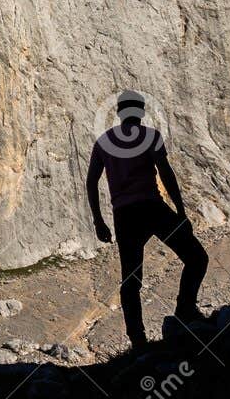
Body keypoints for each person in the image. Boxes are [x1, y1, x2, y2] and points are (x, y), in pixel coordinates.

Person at [86, 91, 209, 349]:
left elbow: (91, 182)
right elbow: (165, 172)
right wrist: (181, 211)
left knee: (131, 279)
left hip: (124, 215)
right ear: (141, 112)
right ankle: (185, 308)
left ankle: (138, 339)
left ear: (119, 113)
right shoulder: (150, 136)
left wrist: (99, 220)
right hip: (152, 207)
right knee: (196, 257)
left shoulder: (104, 142)